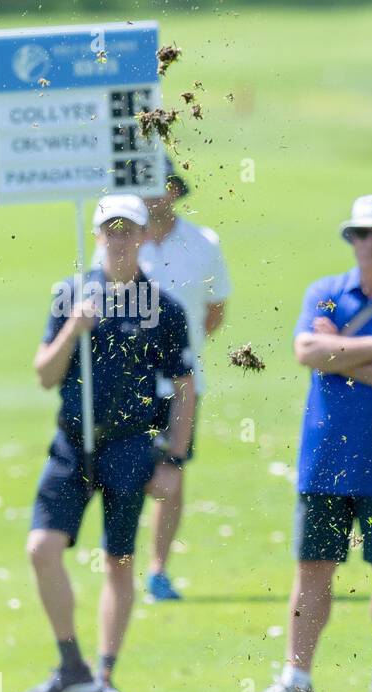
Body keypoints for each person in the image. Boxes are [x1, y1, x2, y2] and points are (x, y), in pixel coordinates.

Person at [237, 195, 372, 692]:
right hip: (326, 457)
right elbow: (307, 351)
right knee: (312, 568)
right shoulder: (325, 294)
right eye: (360, 234)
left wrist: (343, 353)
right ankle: (297, 680)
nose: (367, 243)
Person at [15, 195, 195, 692]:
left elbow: (184, 389)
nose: (118, 239)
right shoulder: (69, 295)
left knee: (118, 561)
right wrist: (74, 327)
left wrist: (173, 460)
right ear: (96, 235)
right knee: (41, 549)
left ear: (143, 236)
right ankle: (72, 666)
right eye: (109, 230)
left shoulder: (163, 306)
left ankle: (106, 677)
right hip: (72, 446)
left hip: (129, 446)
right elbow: (45, 376)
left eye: (128, 230)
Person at [133, 164, 231, 601]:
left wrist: (179, 353)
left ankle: (158, 569)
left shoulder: (203, 243)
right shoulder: (120, 240)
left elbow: (215, 310)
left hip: (181, 384)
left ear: (173, 191)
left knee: (171, 475)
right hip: (128, 381)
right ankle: (120, 563)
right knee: (124, 472)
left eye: (156, 186)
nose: (150, 194)